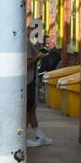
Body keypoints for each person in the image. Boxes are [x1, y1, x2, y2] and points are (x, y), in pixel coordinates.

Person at [26, 20, 51, 148]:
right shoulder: (26, 42)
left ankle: (39, 135)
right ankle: (22, 138)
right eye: (39, 32)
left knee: (32, 108)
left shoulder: (31, 41)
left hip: (32, 80)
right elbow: (26, 63)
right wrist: (38, 56)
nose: (40, 35)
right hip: (28, 80)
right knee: (27, 109)